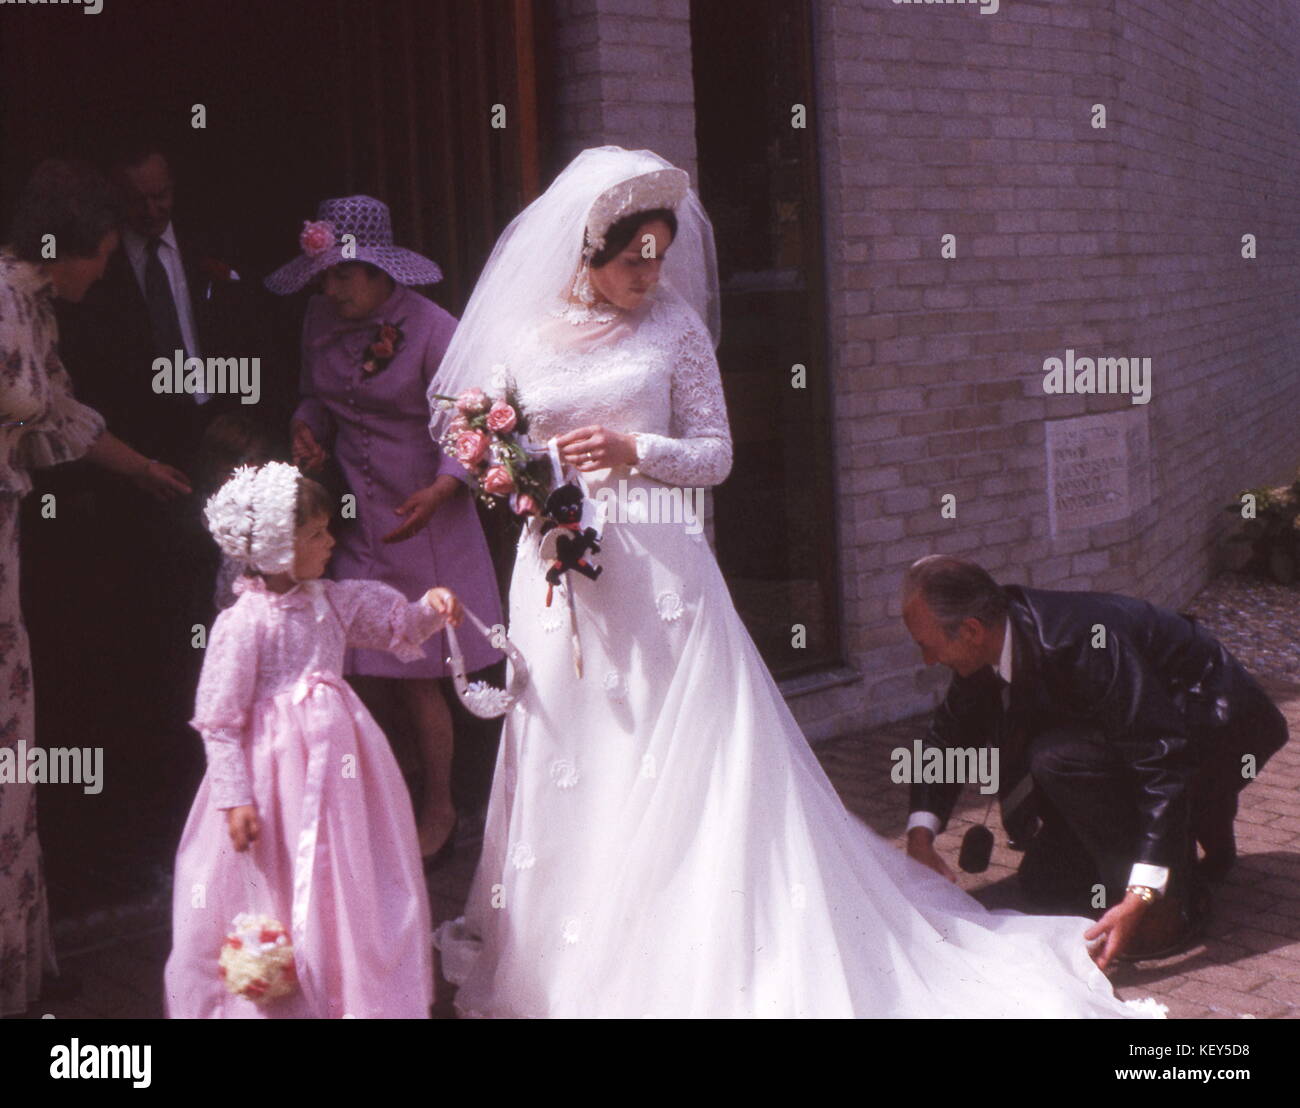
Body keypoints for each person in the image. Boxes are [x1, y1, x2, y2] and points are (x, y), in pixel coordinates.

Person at [429, 146, 1164, 1018]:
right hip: (556, 575)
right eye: (634, 258)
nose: (649, 274)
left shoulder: (674, 328)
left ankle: (687, 947)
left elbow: (717, 455)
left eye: (661, 255)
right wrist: (522, 479)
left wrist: (637, 450)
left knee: (677, 757)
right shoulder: (522, 333)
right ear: (589, 251)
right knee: (569, 747)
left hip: (660, 572)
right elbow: (475, 440)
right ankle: (561, 951)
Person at [163, 462, 464, 1018]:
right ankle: (285, 996)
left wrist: (431, 609)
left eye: (328, 530)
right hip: (272, 776)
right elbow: (220, 718)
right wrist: (234, 796)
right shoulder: (244, 623)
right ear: (278, 547)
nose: (331, 542)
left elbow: (393, 627)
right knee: (275, 876)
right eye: (316, 535)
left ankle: (351, 991)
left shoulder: (333, 600)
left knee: (346, 871)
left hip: (344, 769)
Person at [0, 159, 189, 1017]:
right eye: (104, 250)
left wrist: (145, 468)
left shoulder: (36, 309)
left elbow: (63, 419)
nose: (109, 267)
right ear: (69, 241)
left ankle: (23, 967)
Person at [901, 555, 1289, 965]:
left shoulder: (1084, 643)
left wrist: (1143, 893)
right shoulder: (988, 642)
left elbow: (1161, 759)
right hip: (1143, 734)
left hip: (1216, 727)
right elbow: (945, 739)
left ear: (971, 630)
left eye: (927, 646)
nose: (927, 660)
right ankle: (1193, 828)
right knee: (1045, 886)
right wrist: (920, 836)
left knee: (1057, 760)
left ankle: (1176, 907)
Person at [265, 196, 501, 860]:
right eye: (325, 276)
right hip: (354, 522)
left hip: (423, 517)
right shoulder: (320, 319)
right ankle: (383, 797)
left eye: (343, 275)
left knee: (418, 672)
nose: (330, 288)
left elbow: (473, 419)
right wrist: (307, 424)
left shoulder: (432, 329)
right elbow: (317, 394)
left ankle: (441, 809)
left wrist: (447, 484)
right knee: (362, 668)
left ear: (378, 272)